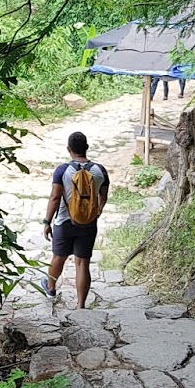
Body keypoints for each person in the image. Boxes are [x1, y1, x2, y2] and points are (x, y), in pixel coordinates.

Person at [41, 131, 109, 309]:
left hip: (65, 221)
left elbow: (55, 198)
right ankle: (80, 305)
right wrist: (97, 211)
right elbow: (104, 195)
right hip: (88, 223)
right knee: (82, 263)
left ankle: (50, 288)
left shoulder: (63, 170)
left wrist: (47, 222)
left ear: (69, 149)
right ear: (86, 148)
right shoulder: (99, 170)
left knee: (59, 257)